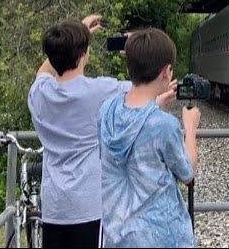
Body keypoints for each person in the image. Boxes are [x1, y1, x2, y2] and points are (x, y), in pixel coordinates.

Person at [27, 15, 174, 248]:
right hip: (89, 204)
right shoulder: (100, 91)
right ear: (84, 53)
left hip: (54, 206)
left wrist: (75, 35)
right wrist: (139, 52)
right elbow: (144, 93)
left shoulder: (39, 93)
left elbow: (43, 72)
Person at [99, 28, 201, 248]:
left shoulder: (106, 111)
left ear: (129, 67)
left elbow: (135, 121)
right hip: (162, 238)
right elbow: (187, 173)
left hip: (118, 236)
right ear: (166, 72)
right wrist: (190, 129)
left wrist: (155, 106)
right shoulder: (164, 125)